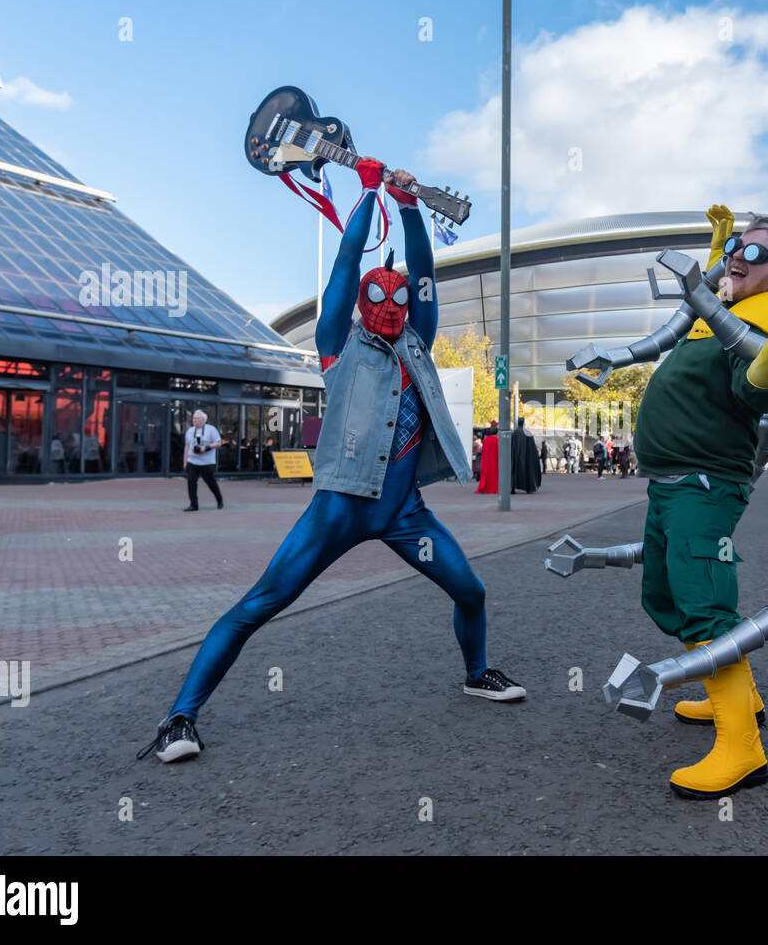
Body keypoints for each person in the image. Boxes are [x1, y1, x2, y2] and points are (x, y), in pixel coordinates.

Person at [137, 160, 524, 764]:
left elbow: (422, 279)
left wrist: (413, 207)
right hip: (338, 511)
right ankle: (179, 717)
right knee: (255, 607)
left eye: (396, 298)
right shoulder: (337, 348)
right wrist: (369, 193)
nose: (391, 304)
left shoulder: (416, 343)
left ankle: (477, 673)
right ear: (363, 305)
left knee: (470, 590)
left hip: (404, 516)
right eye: (379, 296)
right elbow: (346, 269)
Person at [626, 205, 768, 798]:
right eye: (736, 244)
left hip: (705, 484)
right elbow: (722, 279)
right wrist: (721, 247)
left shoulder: (762, 322)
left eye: (755, 251)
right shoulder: (728, 307)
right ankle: (734, 696)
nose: (738, 254)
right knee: (666, 594)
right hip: (674, 482)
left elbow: (756, 390)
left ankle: (743, 749)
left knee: (705, 606)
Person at [182, 410, 224, 511]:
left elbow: (219, 443)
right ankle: (193, 505)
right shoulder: (190, 431)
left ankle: (219, 499)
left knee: (210, 482)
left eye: (197, 419)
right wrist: (185, 461)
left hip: (207, 462)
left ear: (203, 420)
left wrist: (206, 448)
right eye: (193, 418)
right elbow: (187, 446)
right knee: (191, 482)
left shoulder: (211, 429)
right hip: (193, 461)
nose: (194, 420)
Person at [510, 416, 542, 493]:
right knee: (528, 471)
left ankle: (513, 488)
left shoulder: (515, 433)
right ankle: (528, 488)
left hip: (516, 456)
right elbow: (532, 447)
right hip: (526, 457)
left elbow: (512, 445)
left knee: (514, 471)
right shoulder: (528, 433)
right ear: (524, 423)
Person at [476, 421, 499, 494]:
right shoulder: (498, 440)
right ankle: (494, 488)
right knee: (495, 475)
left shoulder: (485, 440)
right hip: (495, 461)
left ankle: (486, 487)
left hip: (487, 461)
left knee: (486, 475)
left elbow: (483, 452)